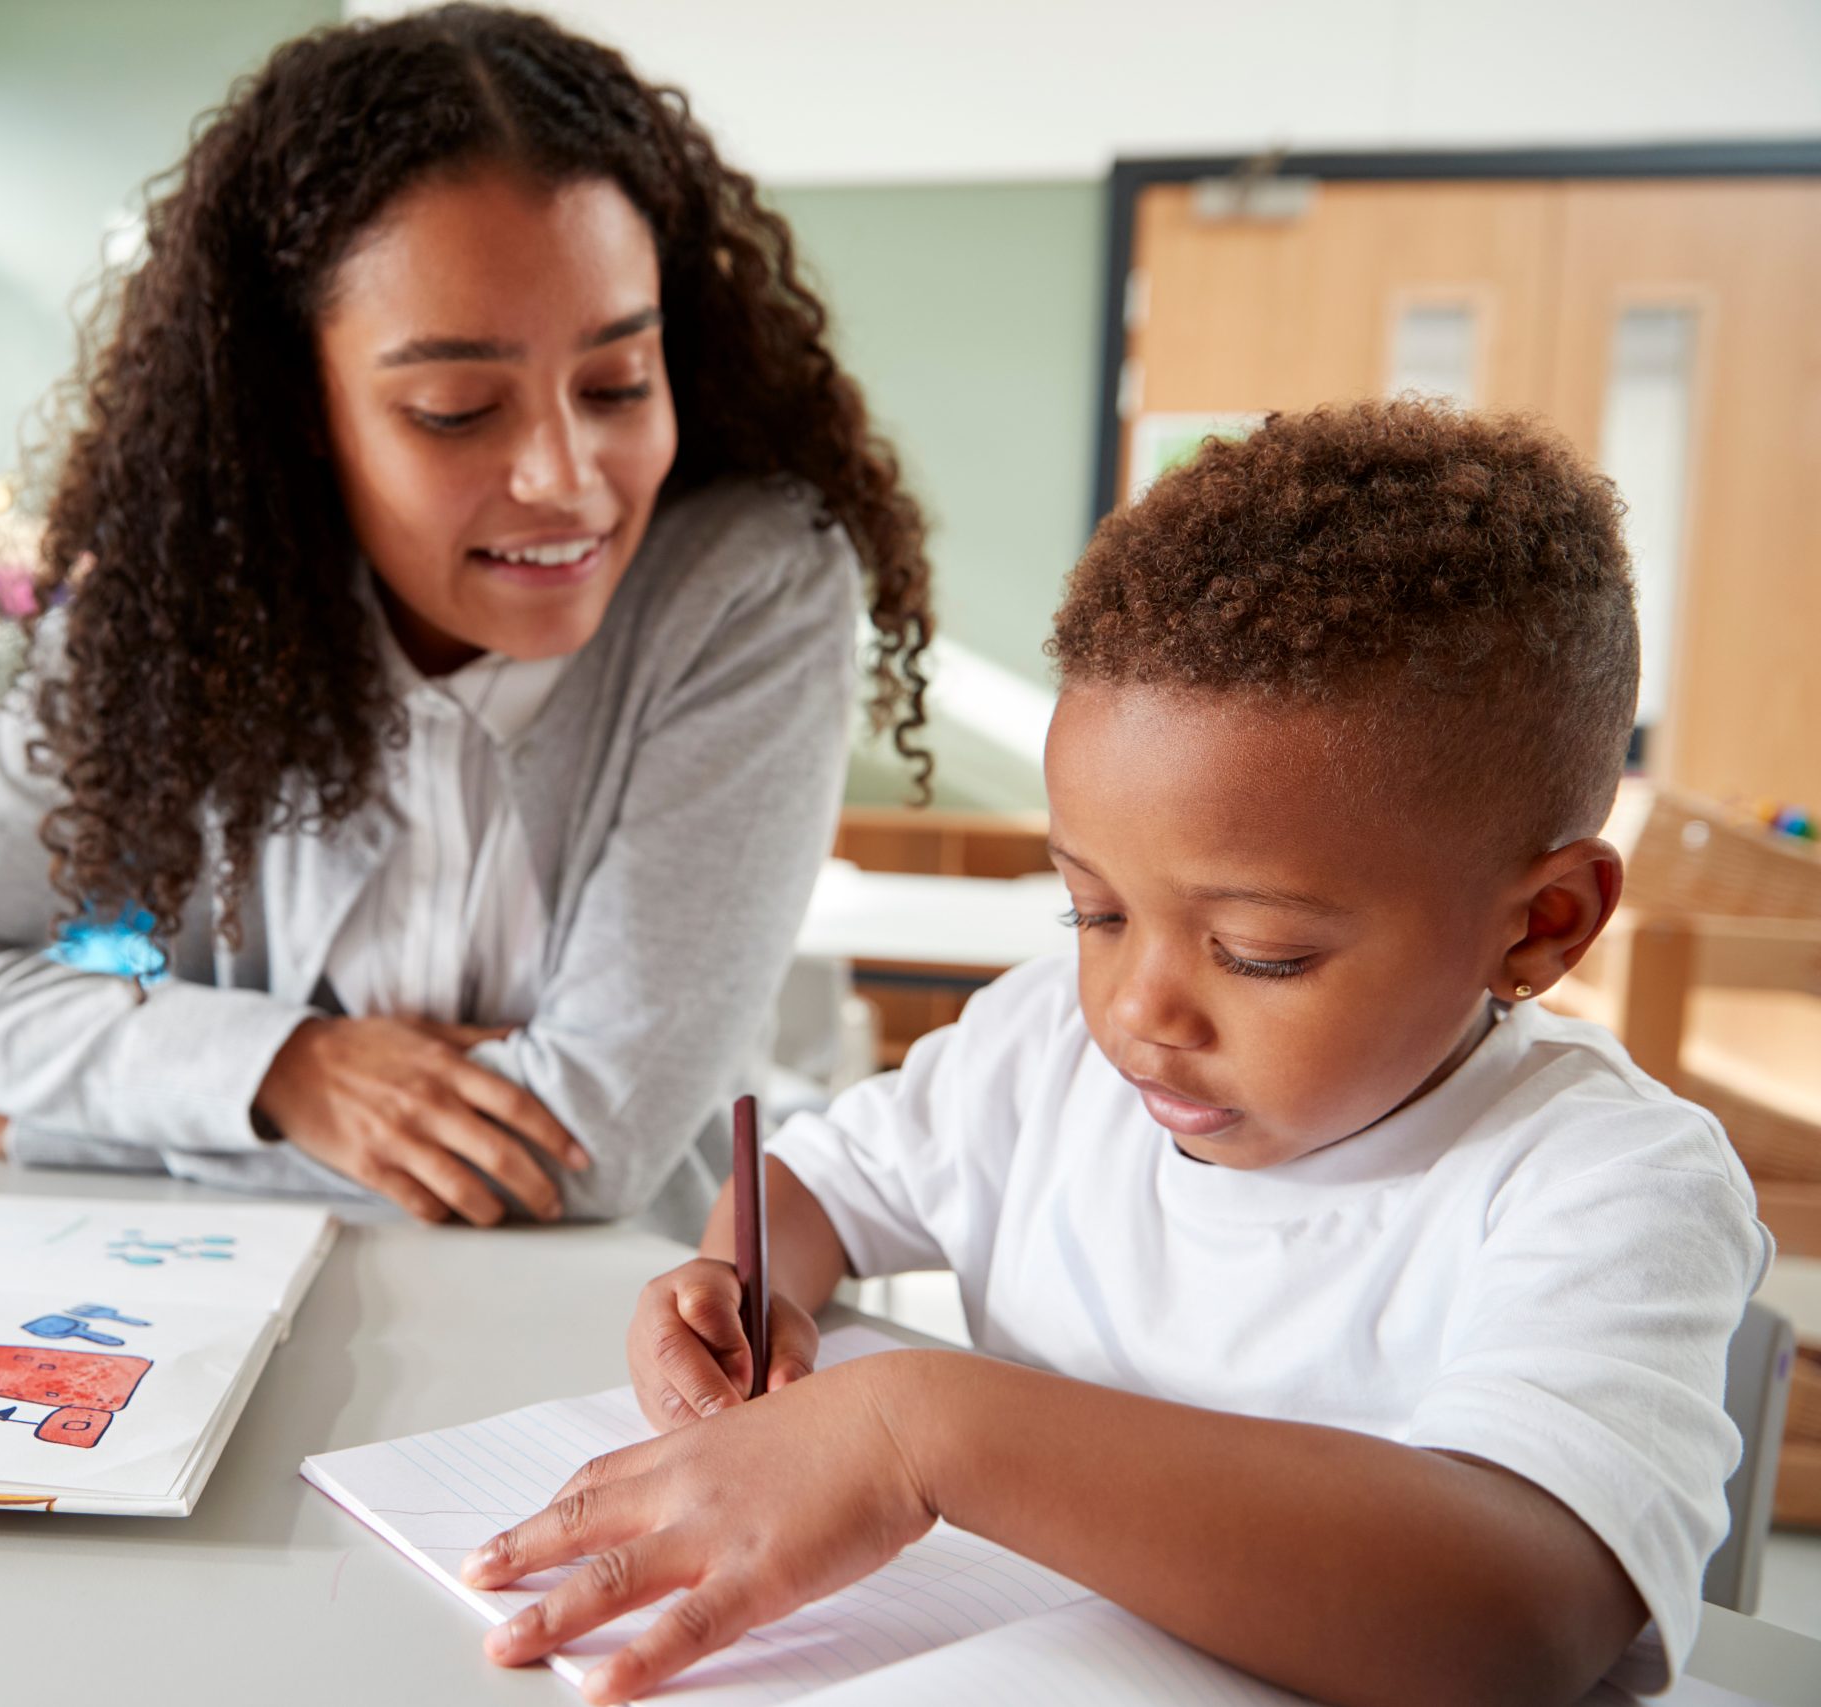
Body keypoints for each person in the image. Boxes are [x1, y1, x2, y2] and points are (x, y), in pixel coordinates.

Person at [461, 401, 1773, 1706]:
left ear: (1541, 925)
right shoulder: (1042, 1049)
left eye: (1261, 950)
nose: (1139, 1007)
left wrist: (931, 1430)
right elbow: (813, 1188)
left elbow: (1517, 1619)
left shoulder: (1612, 1184)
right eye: (1094, 909)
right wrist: (732, 1279)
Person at [0, 4, 934, 1237]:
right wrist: (294, 1069)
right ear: (301, 406)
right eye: (459, 409)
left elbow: (587, 1145)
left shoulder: (750, 583)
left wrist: (65, 1115)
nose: (565, 479)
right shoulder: (177, 610)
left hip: (621, 1330)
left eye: (619, 383)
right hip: (228, 1310)